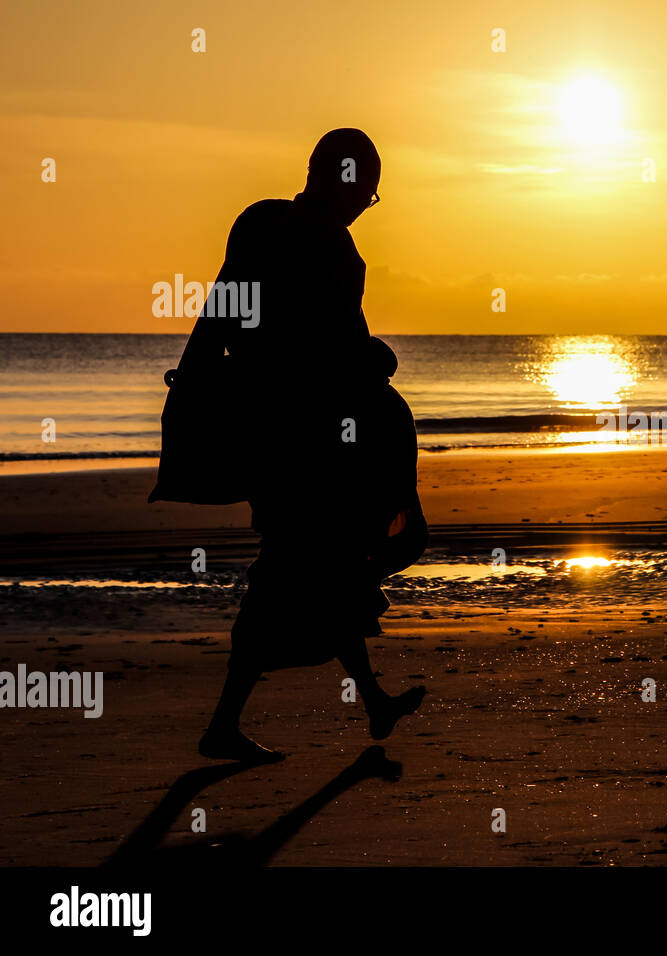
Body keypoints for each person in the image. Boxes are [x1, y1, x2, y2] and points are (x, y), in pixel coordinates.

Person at [167, 128, 427, 763]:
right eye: (366, 189)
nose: (368, 201)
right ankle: (226, 726)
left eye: (372, 194)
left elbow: (226, 315)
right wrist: (195, 387)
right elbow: (259, 327)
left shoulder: (294, 236)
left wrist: (196, 378)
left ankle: (371, 701)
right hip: (294, 442)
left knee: (316, 567)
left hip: (306, 437)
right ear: (337, 178)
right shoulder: (297, 239)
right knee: (298, 570)